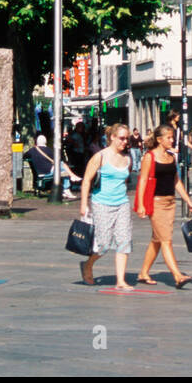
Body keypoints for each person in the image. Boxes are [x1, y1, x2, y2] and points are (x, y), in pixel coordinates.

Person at [134, 125, 192, 287]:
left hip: (170, 202)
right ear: (159, 140)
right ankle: (177, 275)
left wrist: (188, 200)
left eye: (172, 137)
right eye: (168, 137)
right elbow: (142, 180)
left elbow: (176, 181)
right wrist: (140, 203)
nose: (171, 140)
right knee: (166, 240)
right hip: (157, 203)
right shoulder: (150, 157)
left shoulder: (171, 157)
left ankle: (143, 273)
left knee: (157, 239)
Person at [79, 124, 134, 290]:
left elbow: (124, 181)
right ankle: (87, 265)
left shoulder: (127, 159)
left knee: (124, 241)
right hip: (101, 203)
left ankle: (121, 281)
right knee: (103, 244)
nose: (125, 142)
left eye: (127, 139)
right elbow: (87, 180)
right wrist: (83, 204)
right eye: (121, 138)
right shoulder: (100, 157)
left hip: (122, 203)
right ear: (112, 137)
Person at [25, 134, 78, 200]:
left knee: (63, 168)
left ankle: (71, 177)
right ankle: (67, 187)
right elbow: (57, 160)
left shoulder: (32, 150)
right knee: (63, 168)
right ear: (45, 142)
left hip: (39, 172)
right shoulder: (48, 150)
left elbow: (25, 156)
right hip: (48, 171)